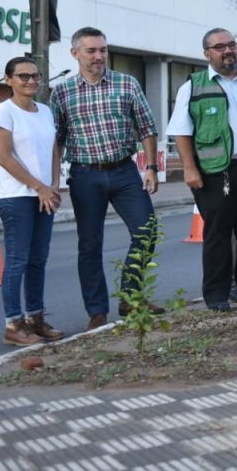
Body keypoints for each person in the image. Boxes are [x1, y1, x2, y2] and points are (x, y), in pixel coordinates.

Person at [50, 27, 161, 330]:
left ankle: (131, 296)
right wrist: (52, 181)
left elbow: (147, 128)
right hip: (85, 176)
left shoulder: (127, 83)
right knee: (89, 244)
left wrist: (151, 167)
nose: (99, 56)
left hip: (125, 171)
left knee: (146, 231)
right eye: (91, 51)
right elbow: (57, 140)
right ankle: (96, 311)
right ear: (75, 54)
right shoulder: (61, 92)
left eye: (103, 50)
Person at [168, 28, 237, 312]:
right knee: (218, 236)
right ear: (207, 53)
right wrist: (189, 168)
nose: (228, 50)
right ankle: (217, 296)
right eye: (220, 47)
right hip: (217, 174)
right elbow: (181, 131)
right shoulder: (193, 86)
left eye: (231, 45)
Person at [0, 57, 65, 346]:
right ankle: (13, 324)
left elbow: (55, 151)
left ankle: (35, 318)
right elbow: (5, 158)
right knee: (18, 261)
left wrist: (54, 185)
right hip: (17, 196)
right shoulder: (2, 112)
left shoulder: (44, 111)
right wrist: (39, 187)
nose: (31, 81)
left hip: (45, 195)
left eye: (35, 76)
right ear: (9, 80)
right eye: (23, 76)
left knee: (38, 261)